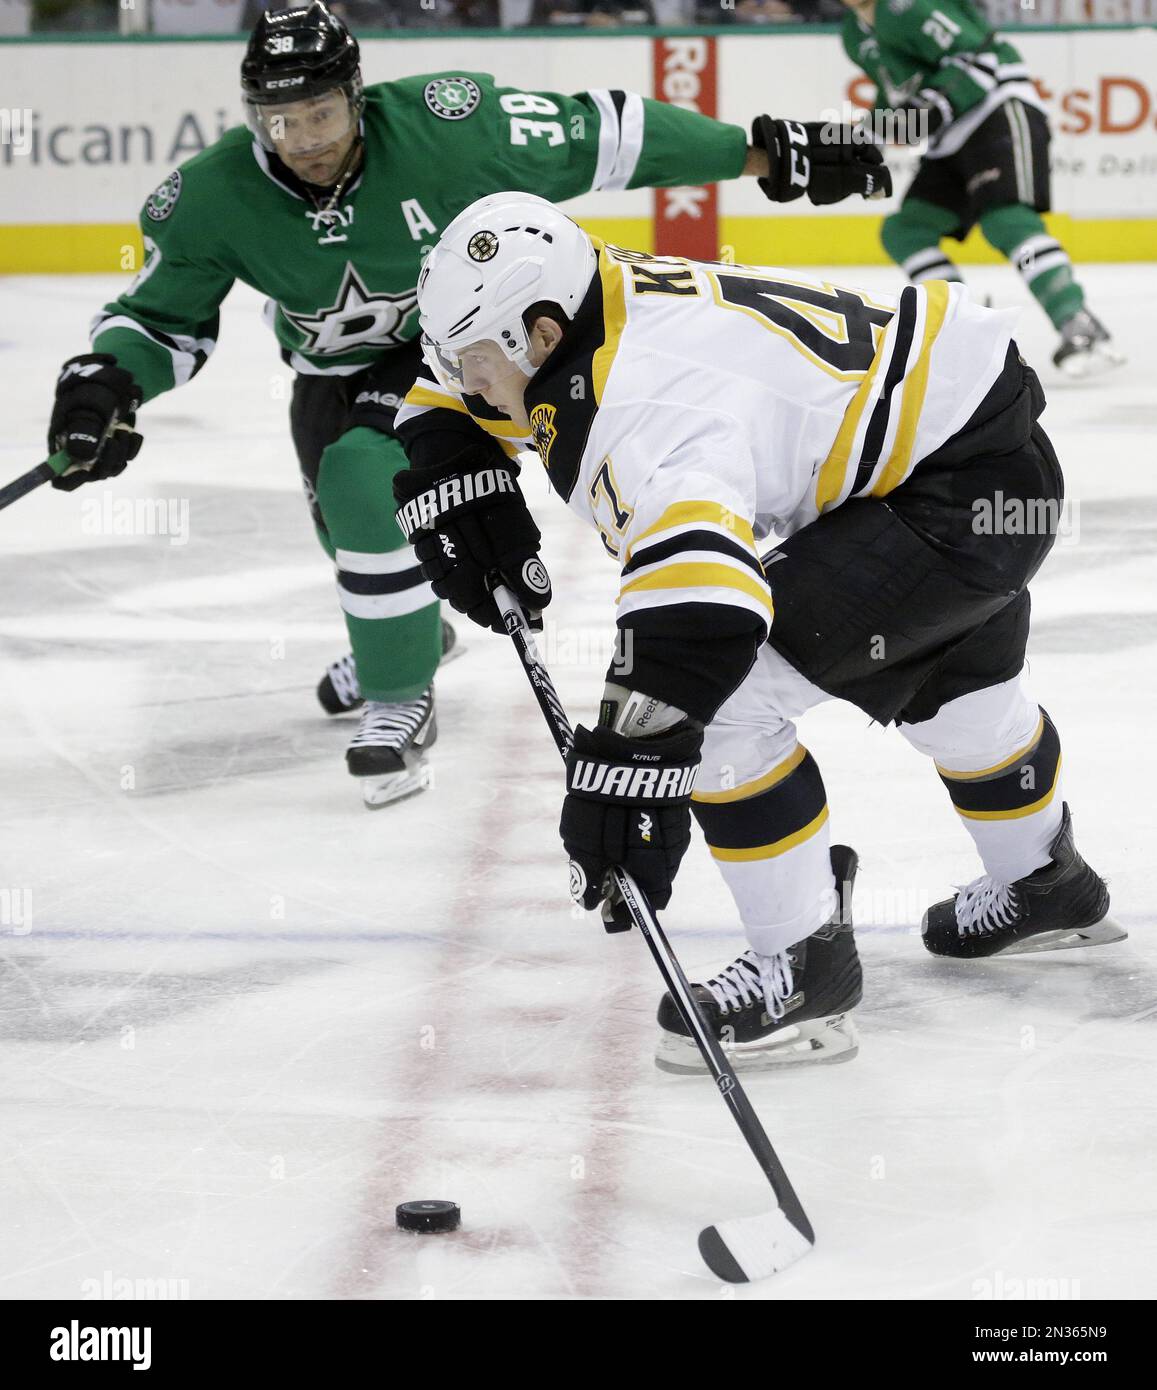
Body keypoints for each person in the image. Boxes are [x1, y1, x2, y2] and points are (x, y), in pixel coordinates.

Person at [43, 0, 889, 809]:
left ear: (357, 96)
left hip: (453, 357)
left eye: (322, 116)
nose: (302, 142)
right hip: (325, 379)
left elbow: (605, 135)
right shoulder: (210, 197)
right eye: (279, 121)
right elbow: (158, 321)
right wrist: (105, 383)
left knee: (362, 477)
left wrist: (757, 154)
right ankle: (415, 634)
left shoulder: (453, 127)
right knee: (356, 540)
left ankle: (398, 700)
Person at [392, 191, 1123, 1072]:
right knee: (957, 692)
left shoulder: (638, 415)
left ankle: (801, 965)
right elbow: (477, 371)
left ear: (542, 336)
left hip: (945, 501)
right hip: (977, 450)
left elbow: (703, 612)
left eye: (472, 363)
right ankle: (1045, 883)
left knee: (726, 705)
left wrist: (626, 770)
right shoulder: (594, 283)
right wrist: (448, 446)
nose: (465, 381)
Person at [839, 0, 1124, 378]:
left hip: (997, 108)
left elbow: (980, 60)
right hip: (950, 136)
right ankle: (967, 326)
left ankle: (1077, 321)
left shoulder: (909, 6)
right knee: (905, 231)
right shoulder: (853, 34)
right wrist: (860, 136)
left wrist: (931, 109)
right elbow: (898, 98)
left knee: (1006, 221)